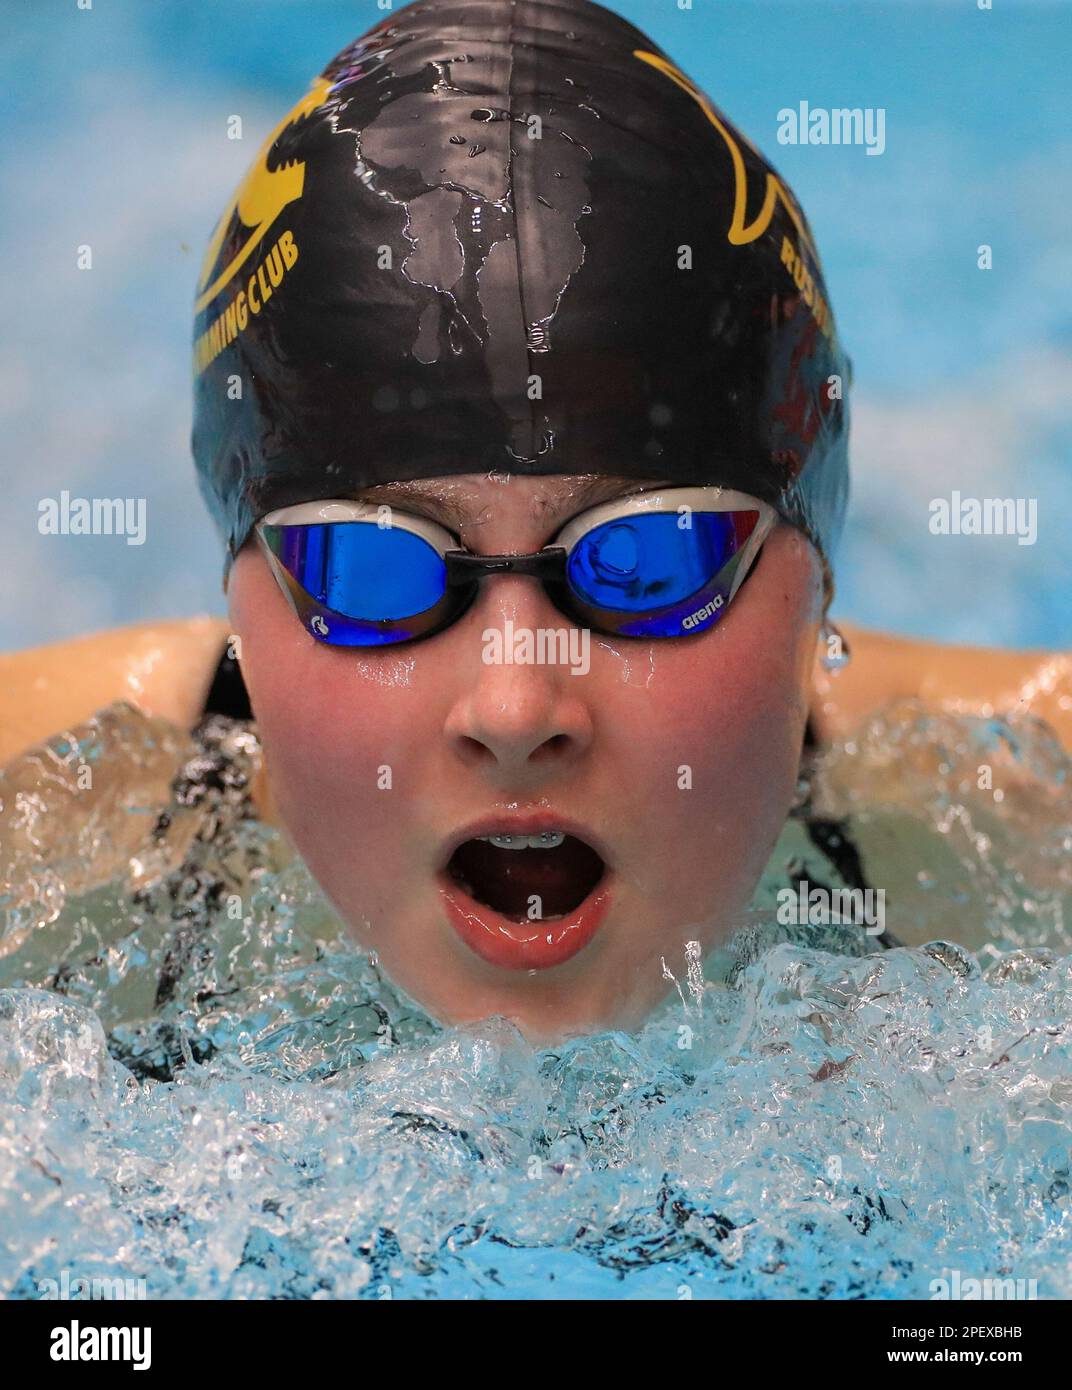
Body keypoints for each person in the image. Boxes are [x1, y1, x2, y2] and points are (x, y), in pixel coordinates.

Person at [2, 0, 1069, 1042]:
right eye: (371, 567)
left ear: (817, 580)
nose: (515, 708)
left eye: (649, 557)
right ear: (237, 589)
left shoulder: (1019, 810)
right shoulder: (38, 824)